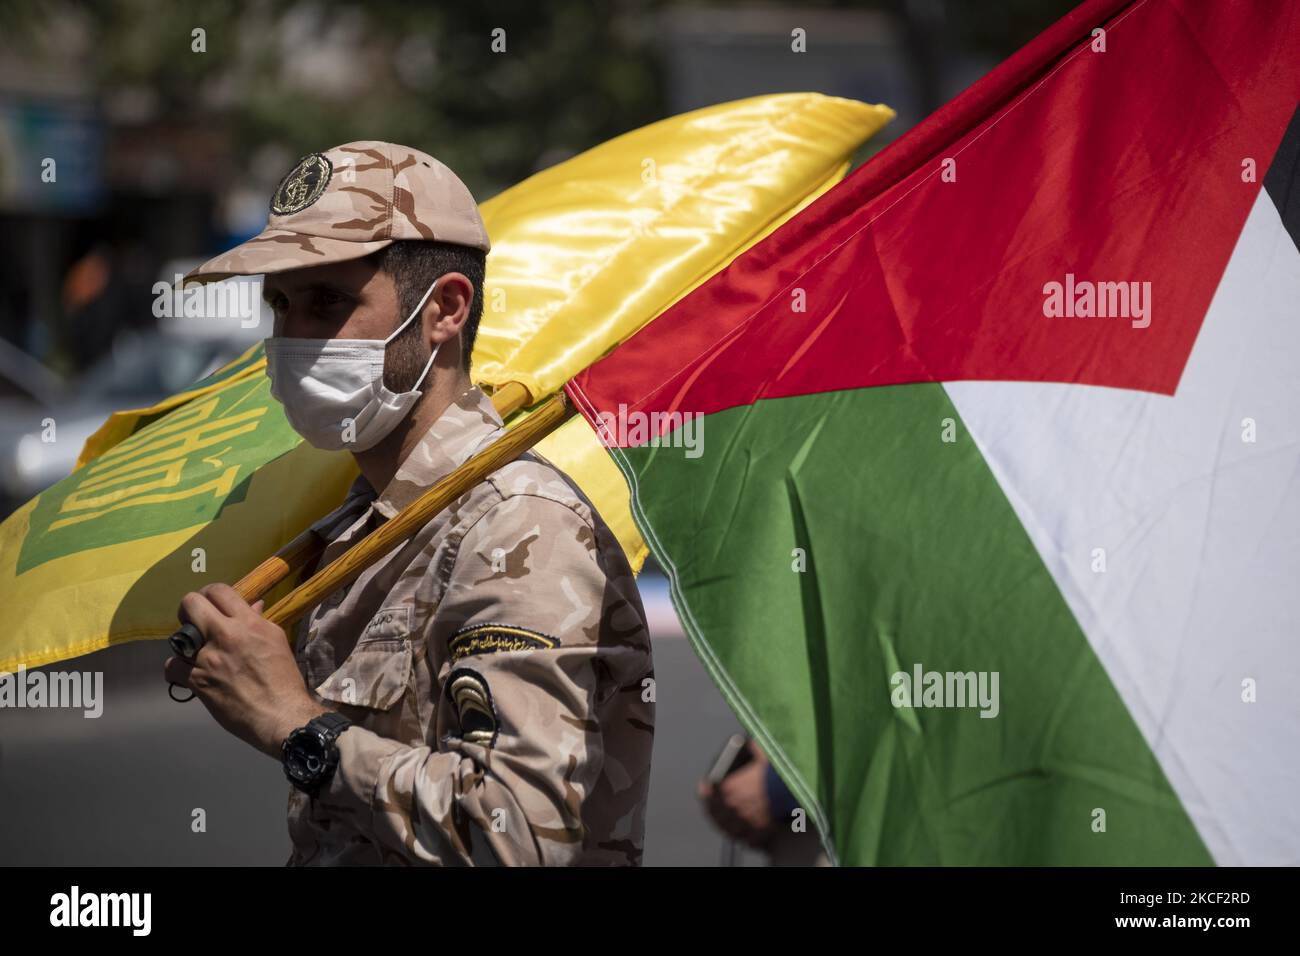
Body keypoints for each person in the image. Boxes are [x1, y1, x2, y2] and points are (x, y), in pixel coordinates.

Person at [163, 142, 655, 866]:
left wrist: (298, 727)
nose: (293, 338)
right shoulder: (356, 523)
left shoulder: (517, 521)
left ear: (445, 311)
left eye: (328, 301)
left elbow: (516, 832)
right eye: (281, 304)